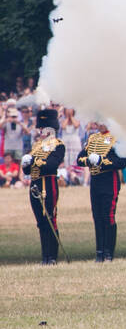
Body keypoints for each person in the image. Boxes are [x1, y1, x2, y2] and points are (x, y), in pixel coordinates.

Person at [77, 122, 126, 262]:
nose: (99, 124)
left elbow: (122, 161)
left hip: (109, 179)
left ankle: (108, 252)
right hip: (95, 180)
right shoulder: (93, 138)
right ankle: (99, 251)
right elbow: (80, 158)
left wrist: (102, 160)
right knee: (97, 217)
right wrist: (89, 160)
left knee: (108, 216)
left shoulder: (116, 138)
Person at [22, 108, 65, 264]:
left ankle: (52, 255)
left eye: (42, 127)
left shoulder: (58, 145)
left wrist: (33, 162)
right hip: (35, 183)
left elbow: (51, 164)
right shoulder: (36, 146)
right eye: (39, 127)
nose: (40, 130)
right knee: (40, 222)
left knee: (49, 219)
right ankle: (45, 256)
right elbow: (27, 170)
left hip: (48, 182)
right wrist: (25, 164)